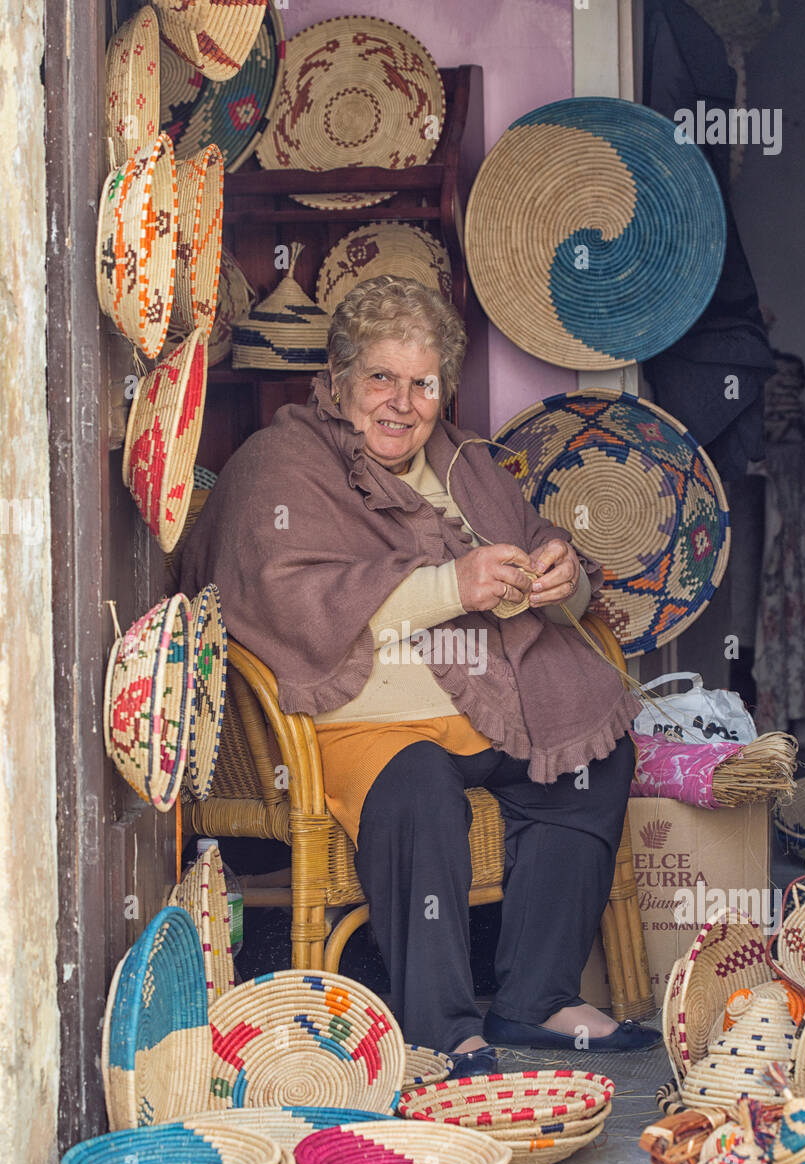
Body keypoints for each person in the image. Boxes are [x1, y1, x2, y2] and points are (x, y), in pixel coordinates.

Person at [180, 275, 660, 1076]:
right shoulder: (281, 464)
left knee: (593, 759)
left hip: (482, 703)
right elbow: (278, 595)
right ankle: (443, 1028)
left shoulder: (461, 461)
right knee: (418, 787)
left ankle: (536, 998)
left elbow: (538, 538)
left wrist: (557, 574)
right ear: (336, 380)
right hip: (357, 718)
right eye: (381, 378)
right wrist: (454, 586)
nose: (401, 402)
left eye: (423, 383)